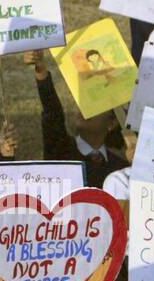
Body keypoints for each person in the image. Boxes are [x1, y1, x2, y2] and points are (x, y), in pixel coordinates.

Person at [21, 49, 129, 189]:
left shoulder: (121, 170)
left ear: (112, 123)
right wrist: (41, 71)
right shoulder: (60, 149)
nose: (84, 109)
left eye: (95, 106)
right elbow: (53, 113)